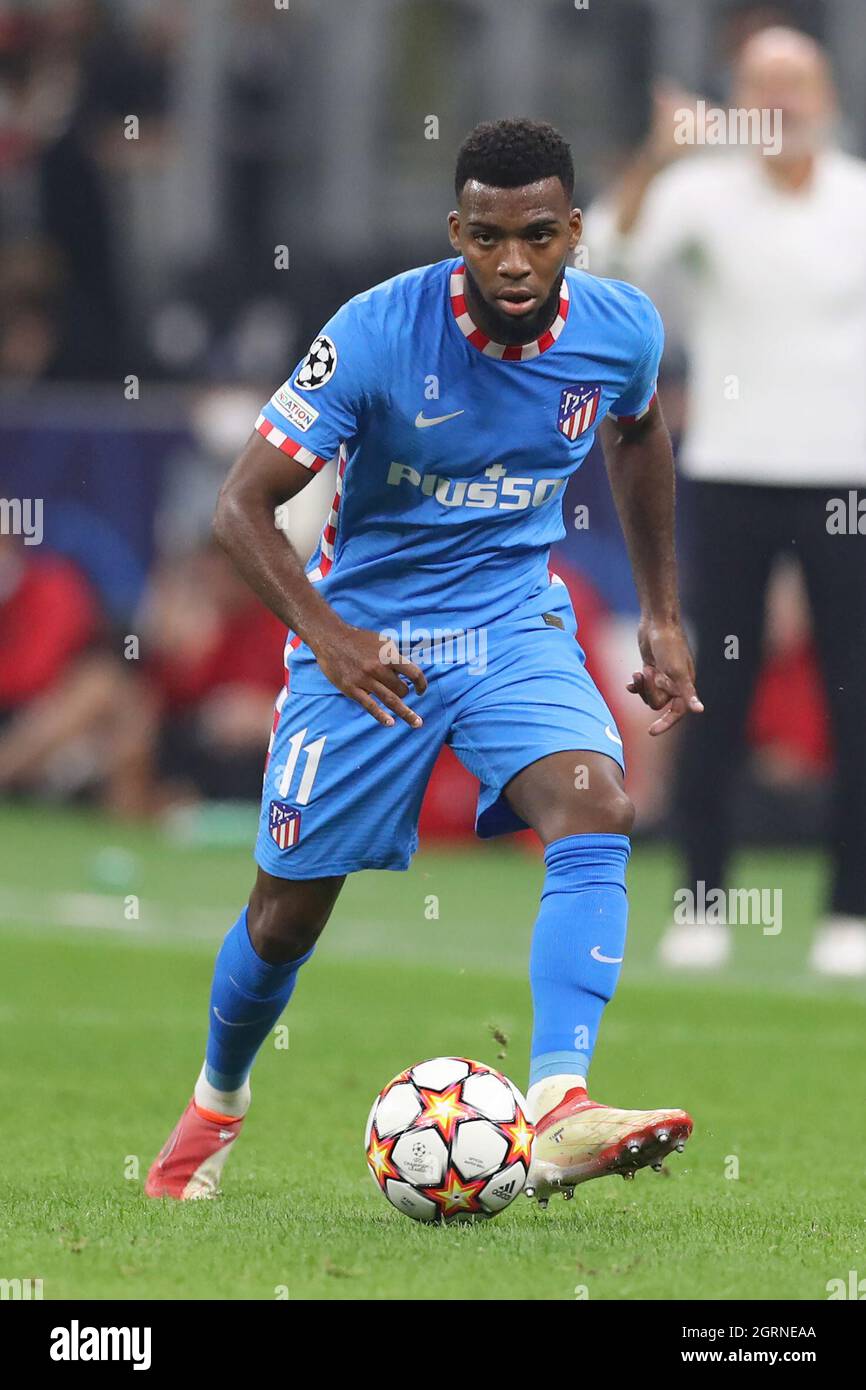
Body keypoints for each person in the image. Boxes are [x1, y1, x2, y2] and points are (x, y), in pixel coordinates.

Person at [145, 119, 701, 1209]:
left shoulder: (619, 329)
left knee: (595, 806)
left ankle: (558, 1104)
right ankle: (216, 1099)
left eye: (537, 235)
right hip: (367, 637)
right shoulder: (374, 334)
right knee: (283, 919)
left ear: (572, 233)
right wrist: (331, 635)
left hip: (508, 620)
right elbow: (239, 506)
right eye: (487, 236)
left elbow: (635, 436)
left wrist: (663, 613)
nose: (510, 261)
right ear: (456, 231)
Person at [585, 27, 866, 976]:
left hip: (845, 477)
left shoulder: (859, 200)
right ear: (738, 94)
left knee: (853, 695)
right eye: (763, 85)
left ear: (826, 95)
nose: (781, 103)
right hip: (732, 466)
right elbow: (605, 269)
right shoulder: (700, 193)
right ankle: (703, 901)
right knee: (708, 686)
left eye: (797, 84)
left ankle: (851, 913)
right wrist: (660, 157)